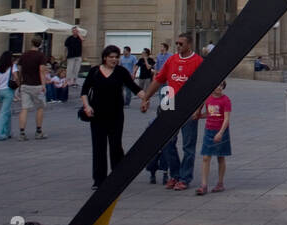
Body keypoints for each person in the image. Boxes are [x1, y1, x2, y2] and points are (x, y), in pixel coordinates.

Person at [140, 32, 203, 190]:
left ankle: (185, 178)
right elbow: (159, 79)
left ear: (189, 45)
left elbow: (204, 88)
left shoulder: (198, 61)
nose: (178, 46)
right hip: (170, 103)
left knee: (188, 145)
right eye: (177, 43)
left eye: (181, 43)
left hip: (189, 106)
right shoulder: (172, 59)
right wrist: (146, 97)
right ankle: (174, 174)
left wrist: (199, 108)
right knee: (167, 142)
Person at [81, 45, 143, 189]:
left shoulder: (121, 72)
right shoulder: (94, 71)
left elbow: (133, 87)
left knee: (116, 146)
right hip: (97, 116)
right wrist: (87, 106)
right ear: (104, 58)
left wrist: (146, 98)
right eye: (111, 57)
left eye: (116, 57)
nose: (114, 60)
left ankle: (117, 177)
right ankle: (99, 180)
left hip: (116, 115)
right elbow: (84, 91)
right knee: (99, 148)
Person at [194, 81, 231, 195]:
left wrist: (220, 133)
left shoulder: (226, 100)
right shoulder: (208, 99)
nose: (219, 87)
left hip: (221, 131)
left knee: (220, 157)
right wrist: (200, 116)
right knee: (206, 157)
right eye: (217, 85)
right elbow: (210, 113)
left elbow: (226, 118)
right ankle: (204, 185)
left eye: (221, 86)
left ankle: (220, 183)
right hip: (209, 130)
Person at [16, 38, 49, 140]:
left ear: (31, 43)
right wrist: (44, 85)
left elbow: (19, 69)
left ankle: (22, 133)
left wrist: (20, 83)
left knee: (24, 108)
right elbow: (41, 70)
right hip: (37, 85)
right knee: (39, 107)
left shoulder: (24, 54)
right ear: (40, 44)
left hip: (25, 84)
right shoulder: (40, 55)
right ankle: (38, 131)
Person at [0, 52, 16, 140]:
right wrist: (19, 86)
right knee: (4, 113)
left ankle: (8, 132)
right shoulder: (12, 67)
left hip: (0, 91)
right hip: (8, 91)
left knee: (8, 111)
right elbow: (16, 77)